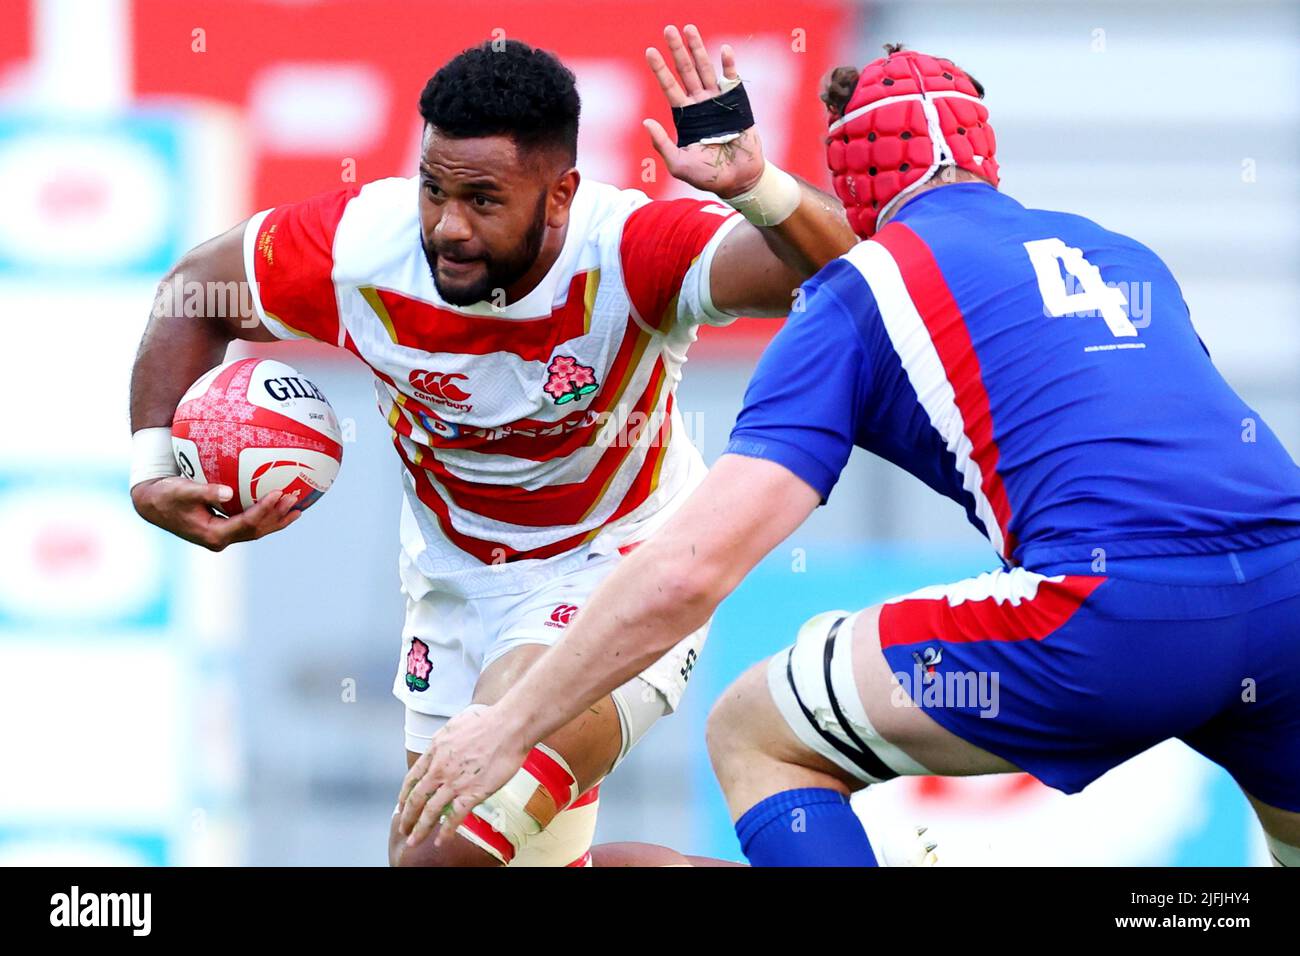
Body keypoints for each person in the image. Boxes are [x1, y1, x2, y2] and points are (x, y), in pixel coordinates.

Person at [396, 45, 1300, 868]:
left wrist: (508, 724)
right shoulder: (1114, 250)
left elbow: (691, 569)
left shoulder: (855, 295)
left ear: (851, 177)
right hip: (1287, 600)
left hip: (1112, 617)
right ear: (984, 156)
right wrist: (761, 191)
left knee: (755, 729)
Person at [128, 26, 858, 867]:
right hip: (452, 589)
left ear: (560, 194)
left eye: (482, 200)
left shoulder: (629, 253)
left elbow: (839, 271)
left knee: (445, 853)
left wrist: (760, 187)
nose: (448, 227)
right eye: (434, 190)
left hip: (616, 569)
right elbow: (194, 294)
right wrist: (151, 467)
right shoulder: (364, 251)